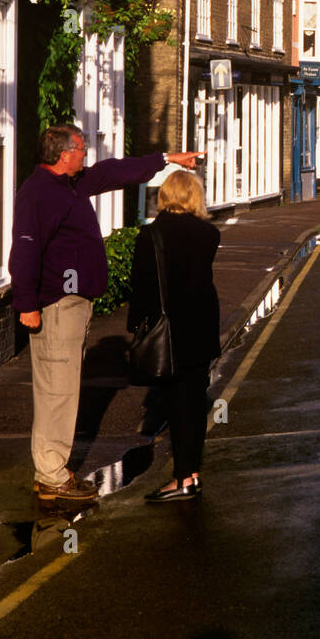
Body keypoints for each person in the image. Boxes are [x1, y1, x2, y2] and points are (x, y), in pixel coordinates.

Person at [9, 124, 201, 503]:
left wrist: (166, 160)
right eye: (81, 149)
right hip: (56, 305)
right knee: (56, 391)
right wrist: (26, 304)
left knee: (64, 389)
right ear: (64, 154)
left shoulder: (70, 184)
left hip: (73, 304)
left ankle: (54, 470)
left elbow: (115, 172)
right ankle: (51, 476)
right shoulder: (40, 193)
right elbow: (26, 249)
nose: (86, 154)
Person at [129, 171, 221, 502]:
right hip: (203, 326)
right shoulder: (209, 233)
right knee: (195, 403)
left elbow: (141, 287)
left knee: (176, 406)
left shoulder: (151, 235)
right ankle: (192, 473)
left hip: (169, 331)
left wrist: (136, 325)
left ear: (165, 196)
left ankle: (181, 479)